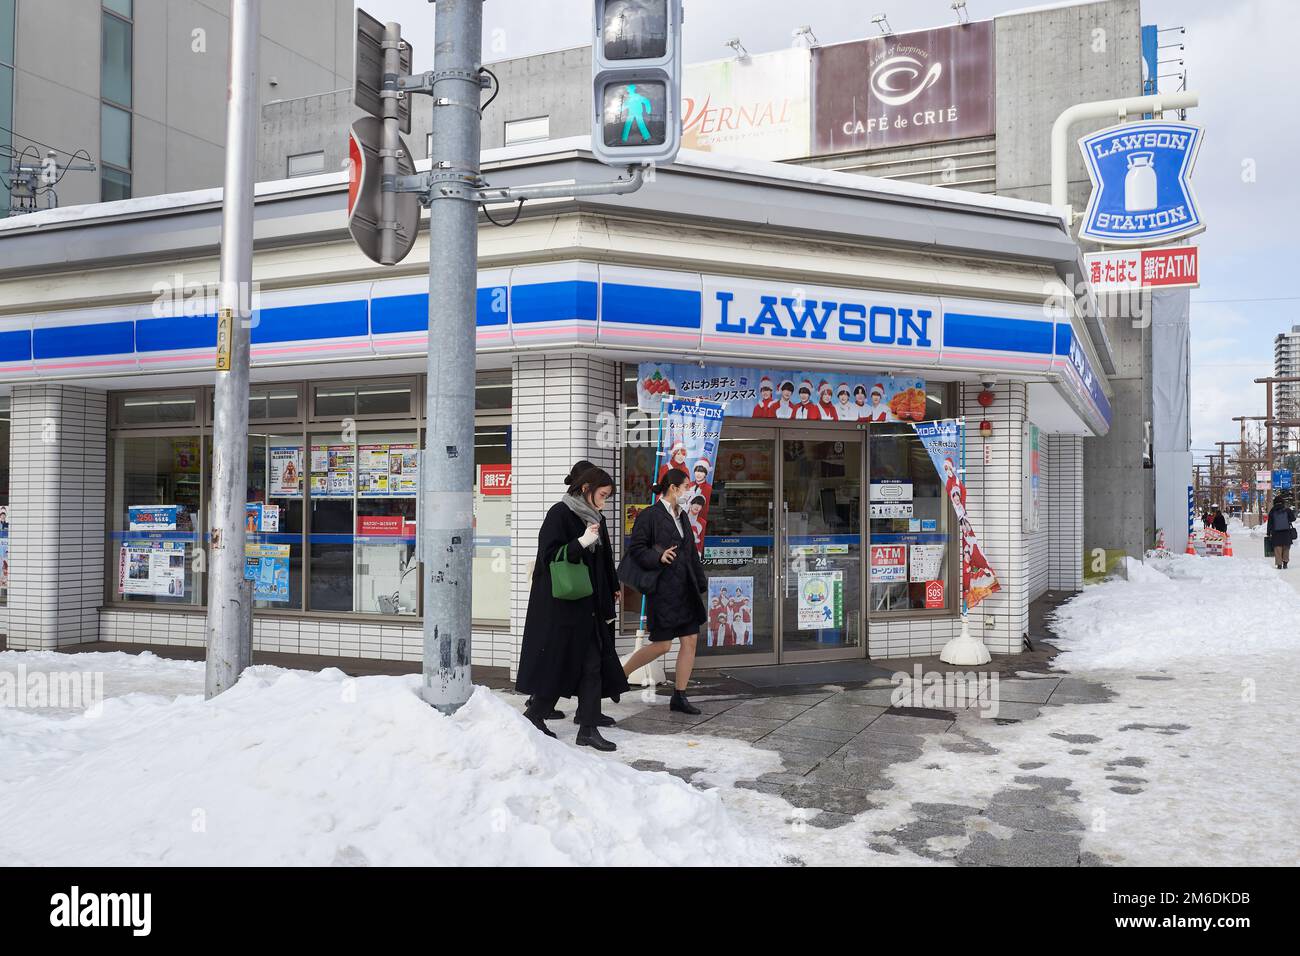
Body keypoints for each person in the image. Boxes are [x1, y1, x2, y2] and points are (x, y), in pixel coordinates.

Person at [516, 465, 629, 752]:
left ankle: (588, 729)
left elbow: (603, 561)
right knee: (559, 663)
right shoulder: (560, 513)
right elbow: (548, 556)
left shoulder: (595, 518)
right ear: (585, 489)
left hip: (587, 604)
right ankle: (535, 714)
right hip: (559, 605)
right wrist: (580, 543)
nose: (604, 502)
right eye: (602, 495)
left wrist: (610, 587)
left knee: (591, 664)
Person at [620, 468, 709, 714]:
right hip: (664, 590)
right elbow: (637, 548)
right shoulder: (649, 515)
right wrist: (659, 556)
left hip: (685, 587)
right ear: (673, 488)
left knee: (690, 639)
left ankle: (679, 696)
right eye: (686, 487)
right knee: (662, 645)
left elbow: (691, 554)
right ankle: (619, 676)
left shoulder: (682, 516)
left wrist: (700, 582)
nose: (688, 491)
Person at [1267, 496, 1296, 569]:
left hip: (1276, 533)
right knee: (1286, 548)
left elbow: (1269, 523)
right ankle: (1285, 563)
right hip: (1286, 533)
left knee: (1278, 549)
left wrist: (1268, 532)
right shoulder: (1287, 510)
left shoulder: (1272, 511)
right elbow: (1293, 519)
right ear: (1282, 502)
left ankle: (1279, 564)